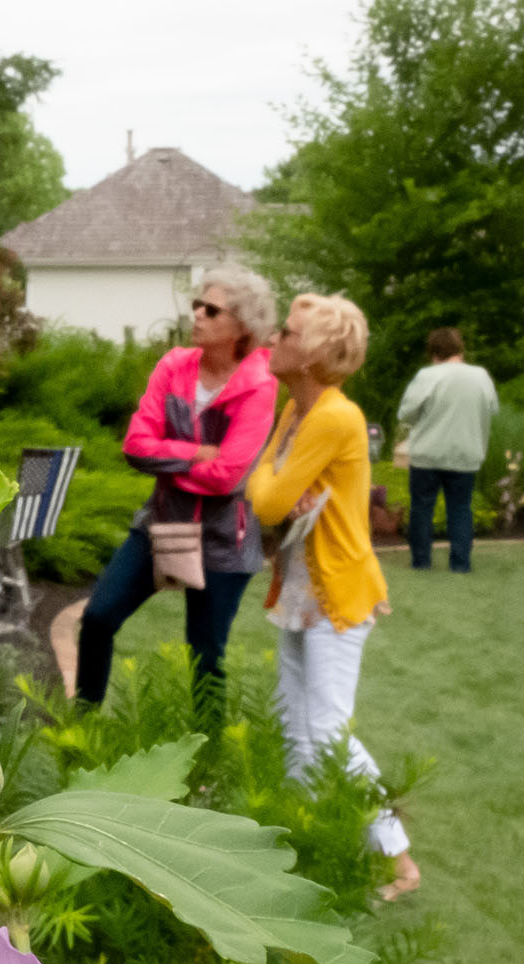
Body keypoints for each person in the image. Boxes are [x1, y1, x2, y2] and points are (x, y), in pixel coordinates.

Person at [247, 294, 419, 899]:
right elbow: (265, 486)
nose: (275, 339)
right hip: (303, 593)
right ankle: (296, 840)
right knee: (296, 725)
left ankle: (399, 860)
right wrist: (273, 482)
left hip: (338, 596)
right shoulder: (299, 410)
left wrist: (273, 486)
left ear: (317, 354)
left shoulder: (332, 417)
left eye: (290, 334)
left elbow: (265, 499)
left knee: (326, 734)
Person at [76, 265, 278, 718]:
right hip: (161, 523)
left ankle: (207, 764)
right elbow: (135, 446)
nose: (198, 315)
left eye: (211, 309)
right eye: (196, 305)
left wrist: (172, 461)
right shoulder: (174, 366)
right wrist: (195, 456)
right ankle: (80, 727)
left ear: (242, 326)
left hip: (224, 541)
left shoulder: (260, 387)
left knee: (205, 657)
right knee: (97, 618)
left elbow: (229, 476)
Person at [395, 327, 497, 573]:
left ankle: (421, 561)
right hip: (465, 452)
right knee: (460, 507)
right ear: (460, 349)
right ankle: (460, 563)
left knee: (422, 507)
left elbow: (405, 414)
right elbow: (492, 409)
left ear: (433, 352)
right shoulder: (481, 376)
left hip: (427, 453)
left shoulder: (427, 376)